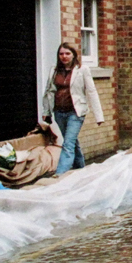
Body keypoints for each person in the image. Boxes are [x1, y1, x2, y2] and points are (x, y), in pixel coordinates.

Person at [42, 43, 104, 175]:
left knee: (68, 144)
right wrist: (46, 112)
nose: (64, 56)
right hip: (59, 112)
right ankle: (80, 170)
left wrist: (99, 116)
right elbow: (49, 92)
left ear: (74, 55)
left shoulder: (82, 70)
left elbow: (92, 92)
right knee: (72, 142)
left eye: (67, 53)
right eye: (61, 54)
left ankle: (59, 174)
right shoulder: (54, 70)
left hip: (75, 113)